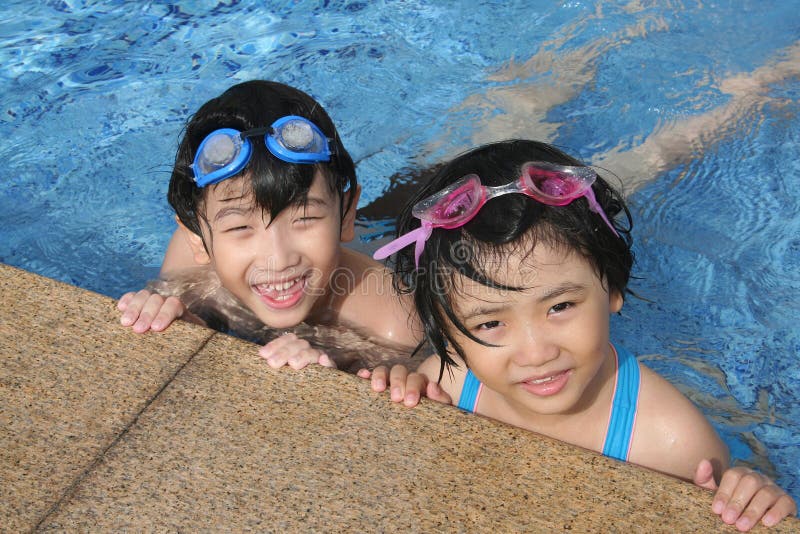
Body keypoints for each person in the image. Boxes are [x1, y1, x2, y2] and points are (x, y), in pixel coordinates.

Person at [361, 139, 797, 531]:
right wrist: (404, 387)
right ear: (448, 327)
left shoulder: (672, 442)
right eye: (490, 323)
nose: (536, 352)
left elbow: (738, 503)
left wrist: (753, 497)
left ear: (613, 288)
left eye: (561, 306)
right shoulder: (447, 382)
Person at [117, 80, 419, 370]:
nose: (278, 257)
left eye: (305, 218)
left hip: (386, 243)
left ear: (346, 214)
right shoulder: (189, 262)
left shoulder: (389, 321)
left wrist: (337, 376)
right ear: (197, 238)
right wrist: (180, 322)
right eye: (239, 228)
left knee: (411, 204)